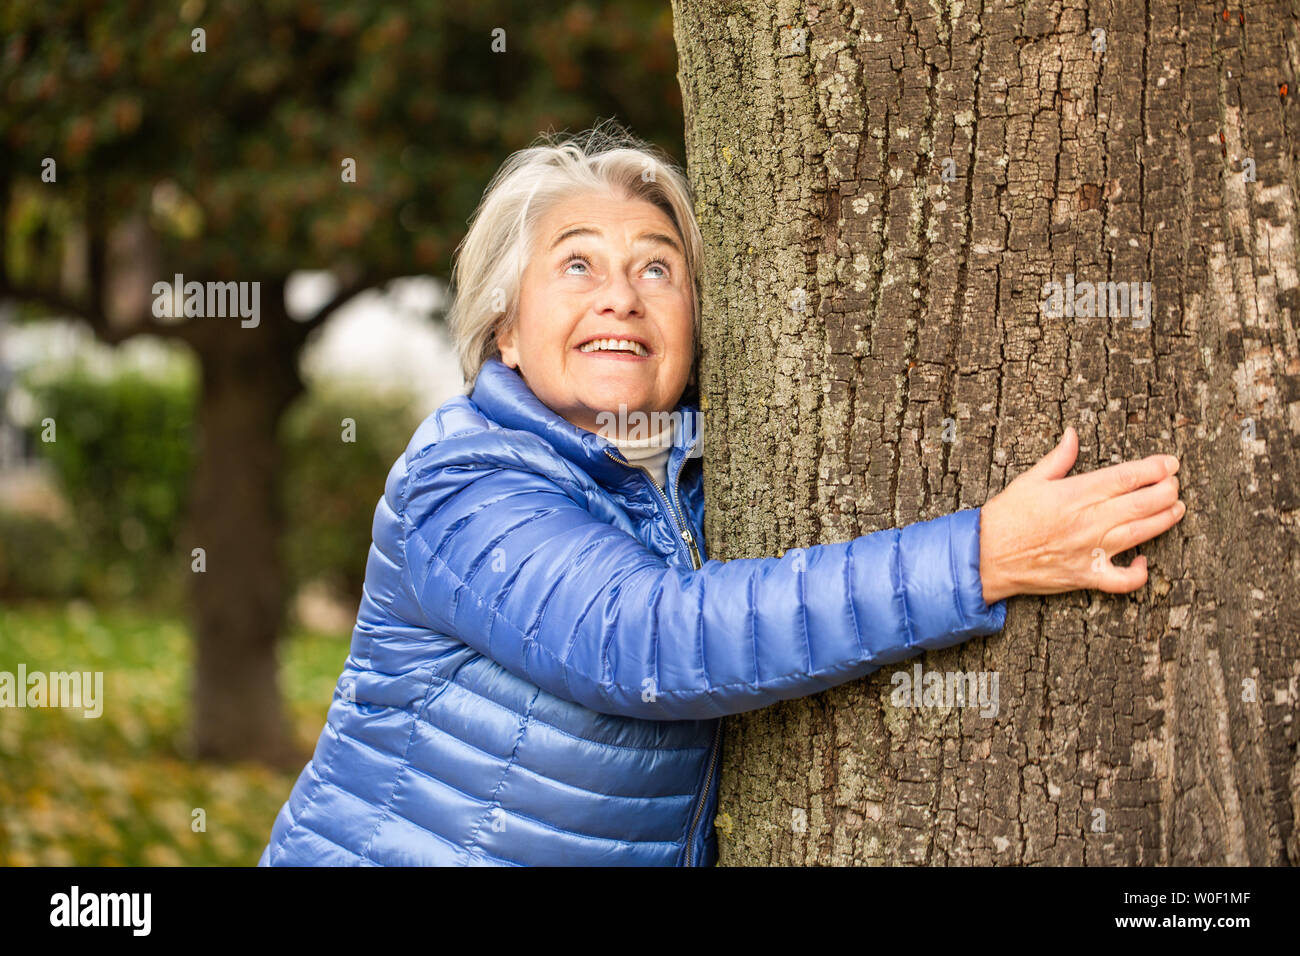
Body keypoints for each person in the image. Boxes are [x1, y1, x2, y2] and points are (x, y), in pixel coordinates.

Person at [258, 124, 1185, 866]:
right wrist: (983, 556)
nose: (621, 295)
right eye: (577, 264)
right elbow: (655, 639)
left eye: (656, 268)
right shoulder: (462, 484)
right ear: (504, 329)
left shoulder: (685, 476)